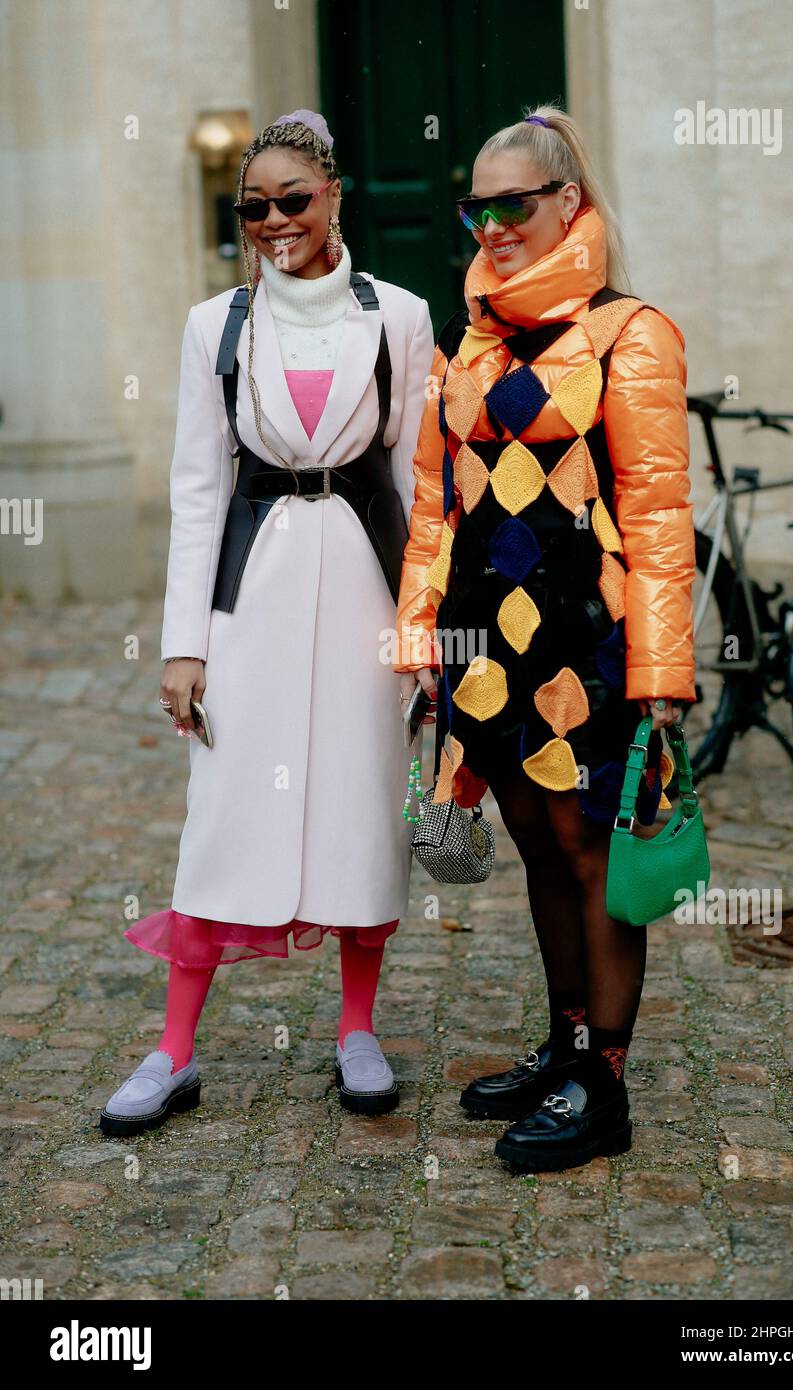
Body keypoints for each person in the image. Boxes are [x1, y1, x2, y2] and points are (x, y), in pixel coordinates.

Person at [99, 110, 433, 1137]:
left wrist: (428, 637)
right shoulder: (218, 325)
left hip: (368, 595)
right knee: (223, 811)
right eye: (253, 207)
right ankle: (174, 1049)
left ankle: (357, 1030)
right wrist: (183, 645)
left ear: (332, 194)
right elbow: (197, 490)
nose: (274, 220)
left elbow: (424, 483)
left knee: (361, 804)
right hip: (249, 598)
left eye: (293, 199)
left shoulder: (401, 317)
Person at [393, 103, 695, 1172]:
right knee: (532, 839)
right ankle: (564, 1043)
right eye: (474, 208)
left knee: (589, 849)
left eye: (512, 204)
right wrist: (417, 640)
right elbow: (435, 508)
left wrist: (663, 672)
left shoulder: (630, 334)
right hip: (483, 640)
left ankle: (602, 1085)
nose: (489, 228)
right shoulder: (464, 343)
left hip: (590, 640)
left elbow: (658, 520)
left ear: (567, 201)